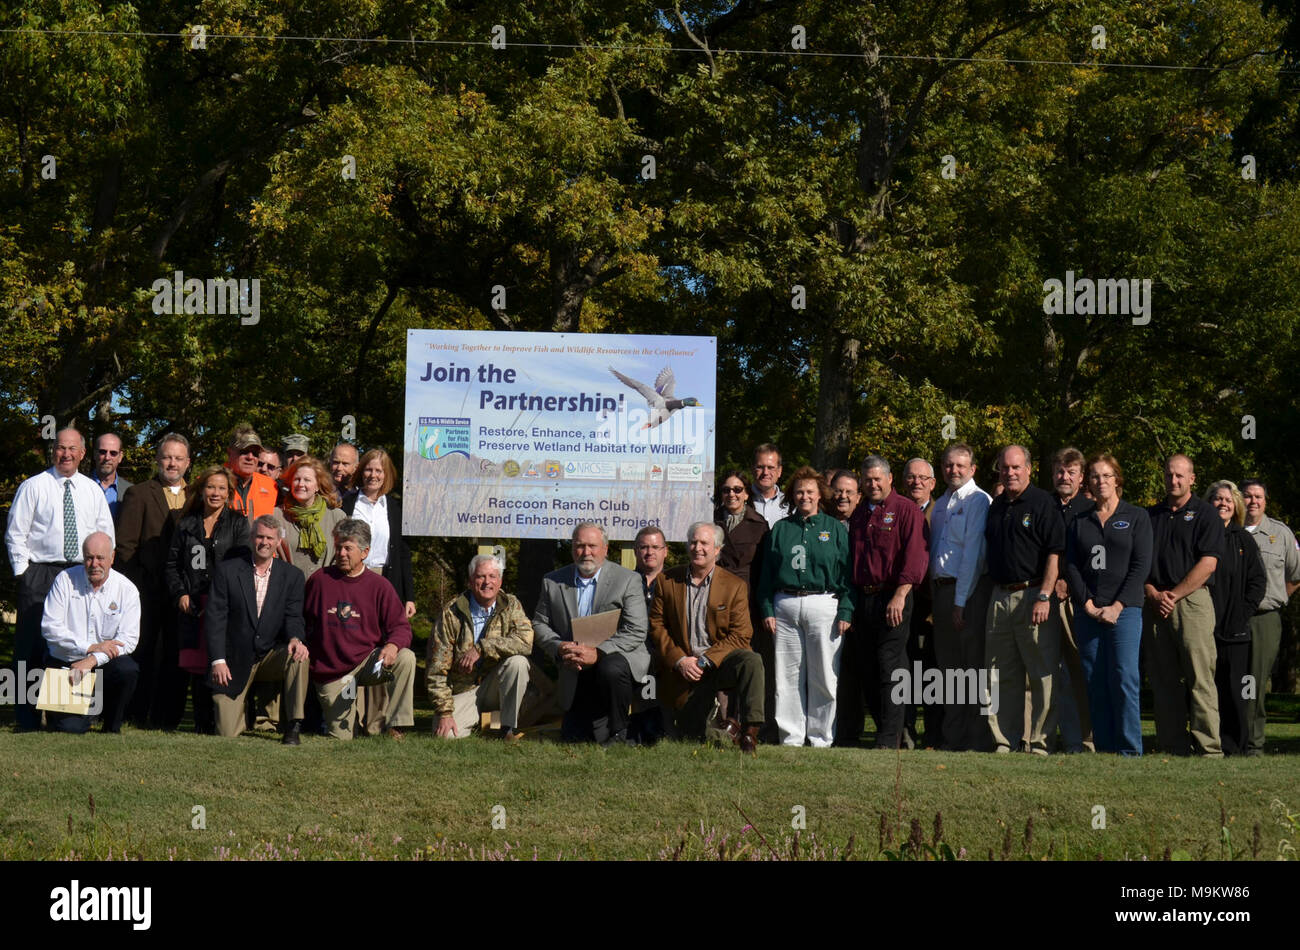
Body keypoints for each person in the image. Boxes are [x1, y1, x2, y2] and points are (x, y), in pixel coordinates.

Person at [6, 428, 115, 730]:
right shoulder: (34, 486)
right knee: (29, 647)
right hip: (40, 572)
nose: (65, 454)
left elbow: (106, 534)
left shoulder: (92, 491)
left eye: (72, 449)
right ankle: (25, 720)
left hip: (79, 572)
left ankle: (61, 714)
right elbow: (16, 533)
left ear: (82, 453)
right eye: (60, 448)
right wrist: (23, 574)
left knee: (69, 646)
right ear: (52, 451)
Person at [756, 466, 854, 747]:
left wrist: (846, 609)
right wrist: (766, 608)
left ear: (820, 494)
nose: (804, 496)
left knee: (823, 672)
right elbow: (766, 574)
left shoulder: (834, 528)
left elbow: (847, 573)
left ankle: (821, 737)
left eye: (810, 491)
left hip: (823, 602)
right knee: (787, 675)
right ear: (792, 495)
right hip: (785, 604)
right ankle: (791, 737)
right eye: (799, 491)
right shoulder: (781, 529)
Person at [532, 522, 651, 745]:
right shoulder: (552, 581)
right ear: (572, 549)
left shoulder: (627, 580)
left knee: (611, 668)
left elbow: (636, 630)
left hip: (615, 663)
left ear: (605, 549)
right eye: (580, 546)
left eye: (592, 546)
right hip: (574, 667)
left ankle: (619, 731)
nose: (586, 552)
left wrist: (599, 652)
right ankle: (598, 728)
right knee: (575, 738)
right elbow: (539, 624)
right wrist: (559, 647)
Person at [649, 522, 764, 752]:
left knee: (752, 660)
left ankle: (750, 731)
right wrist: (680, 661)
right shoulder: (667, 581)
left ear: (717, 549)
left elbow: (742, 634)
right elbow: (657, 626)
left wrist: (706, 660)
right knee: (692, 735)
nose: (697, 548)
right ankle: (728, 730)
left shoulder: (734, 586)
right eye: (693, 542)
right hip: (683, 668)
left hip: (718, 665)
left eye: (704, 543)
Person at [1064, 454, 1151, 756]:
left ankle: (1129, 749)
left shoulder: (1137, 517)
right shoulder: (1079, 521)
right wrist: (1086, 603)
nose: (1101, 481)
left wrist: (1117, 606)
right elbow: (1072, 566)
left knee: (1124, 676)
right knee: (1095, 679)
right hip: (1088, 612)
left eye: (1106, 475)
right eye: (1095, 476)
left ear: (1117, 480)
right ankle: (1105, 747)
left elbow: (1140, 566)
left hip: (1126, 612)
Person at [983, 445, 1066, 754]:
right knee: (997, 673)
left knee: (1041, 673)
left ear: (1029, 469)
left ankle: (1041, 741)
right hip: (999, 596)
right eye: (1005, 468)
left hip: (1033, 594)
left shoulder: (1044, 503)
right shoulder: (996, 506)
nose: (1010, 472)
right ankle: (1004, 740)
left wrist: (1044, 595)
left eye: (1016, 467)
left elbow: (1054, 554)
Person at [304, 519, 416, 740]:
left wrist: (392, 645)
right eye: (339, 547)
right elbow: (302, 621)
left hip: (367, 664)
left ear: (364, 552)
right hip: (335, 672)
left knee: (406, 658)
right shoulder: (319, 581)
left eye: (348, 548)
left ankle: (398, 726)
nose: (342, 553)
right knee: (343, 737)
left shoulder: (379, 586)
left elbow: (401, 627)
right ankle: (347, 721)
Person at [204, 514, 310, 743]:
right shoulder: (227, 571)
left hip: (270, 655)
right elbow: (215, 619)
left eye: (270, 538)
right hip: (234, 659)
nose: (265, 542)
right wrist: (218, 661)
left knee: (299, 656)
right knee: (226, 732)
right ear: (251, 538)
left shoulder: (292, 576)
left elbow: (293, 616)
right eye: (260, 536)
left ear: (278, 541)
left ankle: (293, 725)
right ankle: (243, 715)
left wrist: (295, 638)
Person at [847, 456, 928, 750]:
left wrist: (900, 595)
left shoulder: (906, 510)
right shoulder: (858, 515)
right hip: (863, 599)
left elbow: (916, 557)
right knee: (867, 667)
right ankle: (883, 729)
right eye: (868, 479)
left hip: (894, 597)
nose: (873, 484)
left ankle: (890, 738)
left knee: (890, 666)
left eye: (878, 478)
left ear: (890, 479)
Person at [1144, 454, 1221, 757]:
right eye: (1168, 475)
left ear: (1192, 479)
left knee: (1199, 678)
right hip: (1154, 603)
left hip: (1192, 602)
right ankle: (1172, 745)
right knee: (1163, 680)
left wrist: (1173, 595)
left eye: (1179, 476)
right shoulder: (1150, 516)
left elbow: (1209, 563)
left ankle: (1208, 748)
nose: (1173, 481)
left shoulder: (1206, 514)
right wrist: (1152, 593)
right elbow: (1138, 564)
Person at [164, 465, 251, 733]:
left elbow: (243, 565)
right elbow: (172, 565)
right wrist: (180, 593)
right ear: (202, 491)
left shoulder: (238, 523)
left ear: (229, 493)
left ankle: (225, 722)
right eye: (211, 487)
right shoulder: (186, 524)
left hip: (224, 606)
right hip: (193, 605)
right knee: (196, 666)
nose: (215, 493)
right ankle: (200, 724)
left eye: (221, 488)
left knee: (221, 660)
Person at [115, 433, 191, 728]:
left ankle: (168, 717)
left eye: (178, 458)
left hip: (183, 592)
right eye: (167, 457)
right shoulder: (140, 493)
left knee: (176, 654)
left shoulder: (196, 494)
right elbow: (125, 546)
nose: (172, 463)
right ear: (158, 459)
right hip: (147, 589)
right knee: (144, 652)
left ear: (187, 462)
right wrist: (134, 587)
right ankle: (136, 713)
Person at [40, 532, 141, 733]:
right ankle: (62, 713)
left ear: (112, 557)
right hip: (66, 664)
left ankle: (112, 727)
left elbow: (128, 640)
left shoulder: (127, 590)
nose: (94, 564)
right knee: (69, 729)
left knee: (128, 669)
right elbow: (49, 627)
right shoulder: (65, 580)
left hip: (103, 664)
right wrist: (89, 647)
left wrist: (92, 658)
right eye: (89, 557)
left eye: (100, 558)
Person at [929, 442, 993, 751]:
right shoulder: (941, 503)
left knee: (973, 669)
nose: (953, 470)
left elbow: (973, 555)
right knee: (949, 670)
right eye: (948, 465)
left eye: (960, 465)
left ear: (972, 469)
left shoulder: (978, 500)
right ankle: (953, 738)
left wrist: (960, 601)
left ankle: (978, 739)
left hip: (966, 592)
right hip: (941, 592)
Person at [428, 554, 533, 740]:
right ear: (470, 581)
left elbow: (525, 642)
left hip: (497, 687)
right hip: (463, 691)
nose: (487, 582)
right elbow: (436, 669)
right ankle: (475, 722)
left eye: (492, 576)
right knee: (446, 736)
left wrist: (482, 647)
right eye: (481, 576)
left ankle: (508, 729)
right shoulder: (452, 612)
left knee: (518, 663)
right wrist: (445, 713)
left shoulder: (511, 605)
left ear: (500, 581)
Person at [1205, 480, 1265, 756]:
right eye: (1217, 499)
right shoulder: (1200, 536)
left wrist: (1241, 615)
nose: (1223, 504)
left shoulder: (1244, 540)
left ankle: (1236, 746)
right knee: (1206, 689)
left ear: (1236, 506)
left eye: (1228, 500)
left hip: (1235, 631)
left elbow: (1257, 582)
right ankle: (1207, 741)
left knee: (1234, 691)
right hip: (1204, 628)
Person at [1240, 479, 1300, 756]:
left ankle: (1254, 743)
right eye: (1248, 496)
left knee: (1254, 680)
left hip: (1264, 619)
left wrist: (1277, 597)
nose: (1253, 501)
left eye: (1258, 496)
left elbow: (1295, 576)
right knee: (1227, 678)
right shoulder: (1228, 529)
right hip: (1229, 618)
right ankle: (1228, 739)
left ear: (1266, 500)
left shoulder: (1281, 533)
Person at [1048, 446, 1094, 753]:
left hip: (1077, 600)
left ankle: (1083, 742)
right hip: (1042, 596)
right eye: (1060, 471)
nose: (1065, 477)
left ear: (1081, 478)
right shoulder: (1042, 505)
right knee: (1045, 672)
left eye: (1071, 472)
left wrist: (1066, 581)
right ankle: (1042, 740)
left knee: (1079, 671)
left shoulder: (1090, 510)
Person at [901, 457, 939, 748]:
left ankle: (935, 732)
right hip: (901, 606)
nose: (917, 483)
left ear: (932, 483)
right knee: (907, 671)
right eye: (911, 477)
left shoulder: (943, 513)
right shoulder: (898, 512)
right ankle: (907, 729)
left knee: (934, 674)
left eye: (923, 478)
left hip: (933, 606)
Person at [280, 456, 345, 580]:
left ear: (317, 486)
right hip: (289, 590)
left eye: (307, 480)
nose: (301, 484)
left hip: (326, 588)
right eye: (297, 479)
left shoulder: (336, 517)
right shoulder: (278, 515)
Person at [713, 470, 769, 588]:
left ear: (746, 494)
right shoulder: (710, 521)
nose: (731, 494)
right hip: (715, 587)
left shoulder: (759, 525)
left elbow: (765, 566)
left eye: (737, 489)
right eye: (726, 490)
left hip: (746, 590)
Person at [224, 425, 278, 521]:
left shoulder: (272, 486)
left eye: (255, 453)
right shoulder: (209, 482)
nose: (250, 457)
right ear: (229, 453)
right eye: (244, 451)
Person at [93, 433, 132, 521]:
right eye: (102, 452)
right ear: (95, 454)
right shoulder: (79, 486)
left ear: (120, 457)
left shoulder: (131, 491)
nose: (107, 457)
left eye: (113, 453)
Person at [751, 444, 786, 529]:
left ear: (779, 471)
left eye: (770, 467)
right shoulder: (740, 502)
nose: (765, 472)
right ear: (752, 469)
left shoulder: (790, 504)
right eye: (760, 467)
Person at [633, 525, 668, 606]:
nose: (650, 552)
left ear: (665, 551)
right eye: (644, 547)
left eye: (655, 547)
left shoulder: (674, 584)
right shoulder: (623, 583)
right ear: (635, 551)